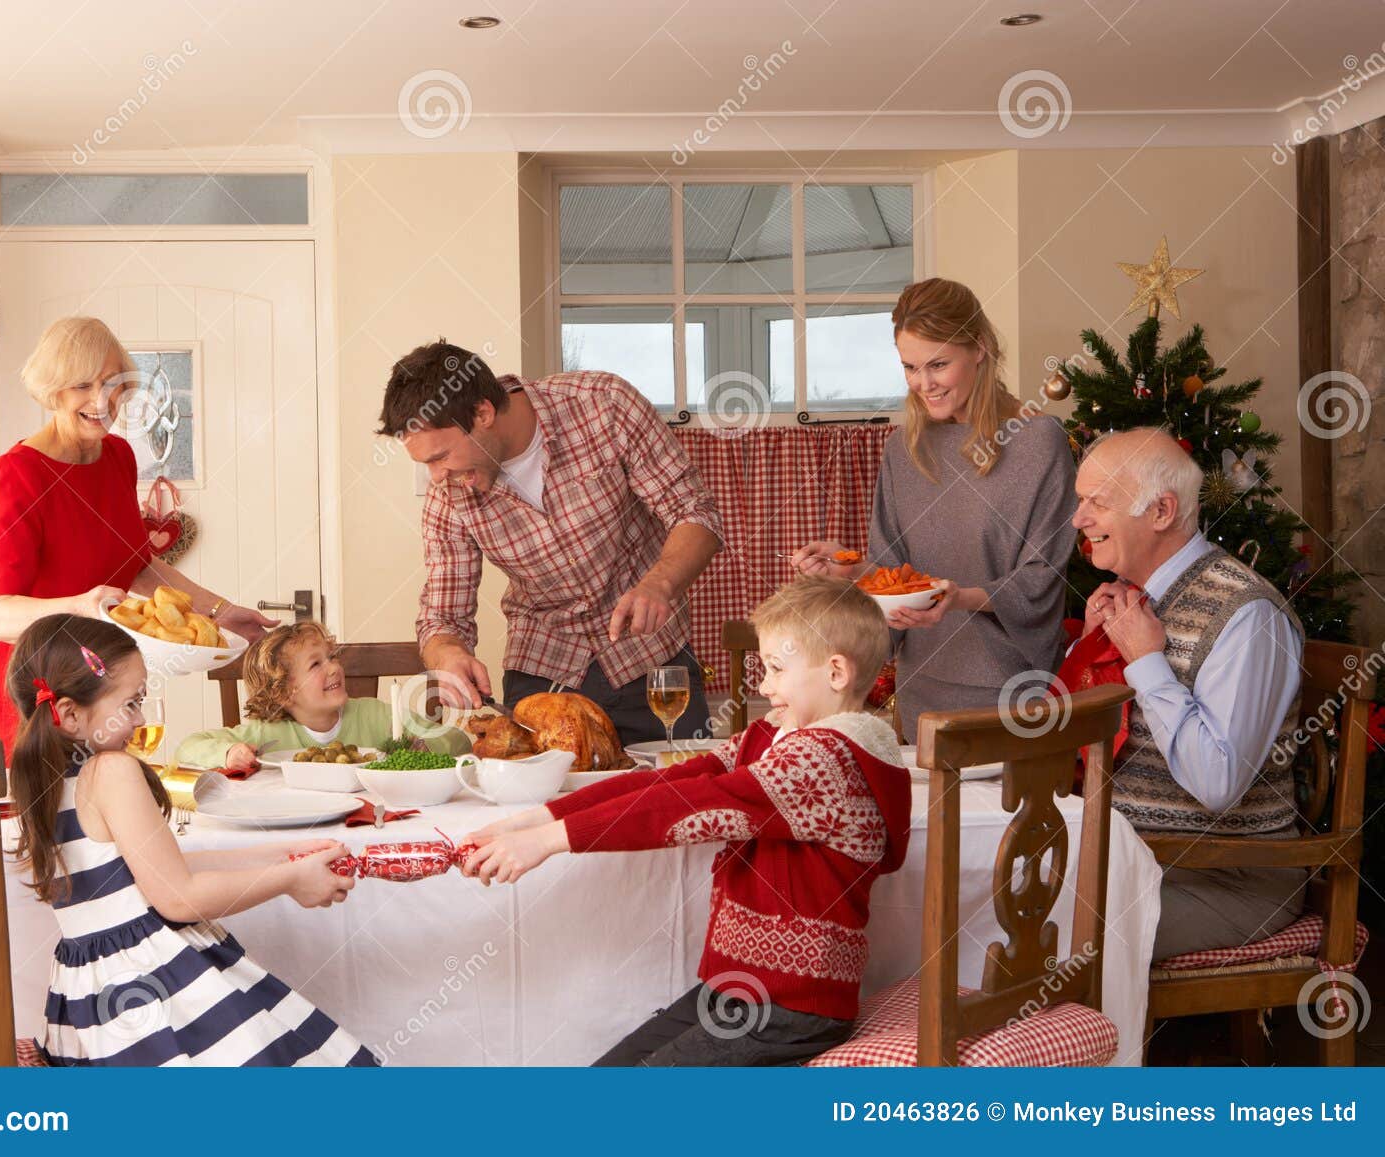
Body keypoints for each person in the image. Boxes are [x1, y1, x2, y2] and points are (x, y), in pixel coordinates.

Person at [461, 576, 911, 1065]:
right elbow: (668, 784)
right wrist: (538, 817)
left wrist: (551, 840)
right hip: (736, 990)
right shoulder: (770, 735)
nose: (764, 686)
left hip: (791, 1009)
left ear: (837, 672)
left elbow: (692, 805)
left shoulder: (825, 760)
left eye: (777, 670)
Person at [7, 614, 375, 1066]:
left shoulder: (43, 782)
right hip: (156, 996)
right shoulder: (110, 772)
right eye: (131, 703)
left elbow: (163, 869)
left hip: (91, 1010)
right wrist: (289, 881)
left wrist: (281, 855)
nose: (141, 719)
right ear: (69, 714)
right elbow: (179, 898)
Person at [379, 340, 725, 746]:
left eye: (440, 456)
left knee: (682, 794)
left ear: (483, 413)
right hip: (544, 674)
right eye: (426, 465)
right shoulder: (449, 495)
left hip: (652, 663)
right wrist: (447, 655)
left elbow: (695, 512)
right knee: (548, 805)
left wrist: (660, 583)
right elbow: (442, 617)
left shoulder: (604, 406)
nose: (436, 477)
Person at [0, 317, 276, 755]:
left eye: (113, 382)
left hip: (100, 681)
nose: (103, 400)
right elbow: (0, 616)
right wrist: (82, 607)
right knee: (54, 819)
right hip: (33, 689)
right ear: (53, 389)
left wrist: (221, 612)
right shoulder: (17, 474)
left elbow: (137, 564)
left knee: (108, 811)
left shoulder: (117, 457)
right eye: (82, 385)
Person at [794, 278, 1077, 738]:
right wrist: (854, 571)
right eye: (910, 367)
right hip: (921, 686)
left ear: (980, 348)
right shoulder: (903, 449)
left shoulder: (1037, 441)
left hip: (1010, 692)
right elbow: (893, 571)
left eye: (938, 364)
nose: (923, 384)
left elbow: (1043, 576)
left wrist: (959, 598)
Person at [1072, 428, 1306, 960]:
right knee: (987, 902)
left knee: (1045, 938)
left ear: (1160, 512)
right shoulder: (1129, 602)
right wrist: (1087, 652)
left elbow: (1218, 783)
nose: (1078, 520)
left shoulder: (1247, 615)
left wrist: (1148, 663)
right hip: (1132, 860)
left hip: (1227, 879)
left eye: (1097, 503)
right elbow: (1081, 748)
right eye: (1080, 501)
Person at [175, 621, 470, 771]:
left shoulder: (378, 715)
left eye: (331, 657)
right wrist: (228, 753)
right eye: (316, 664)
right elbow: (187, 748)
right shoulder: (266, 733)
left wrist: (422, 746)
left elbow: (459, 741)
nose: (334, 668)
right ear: (282, 693)